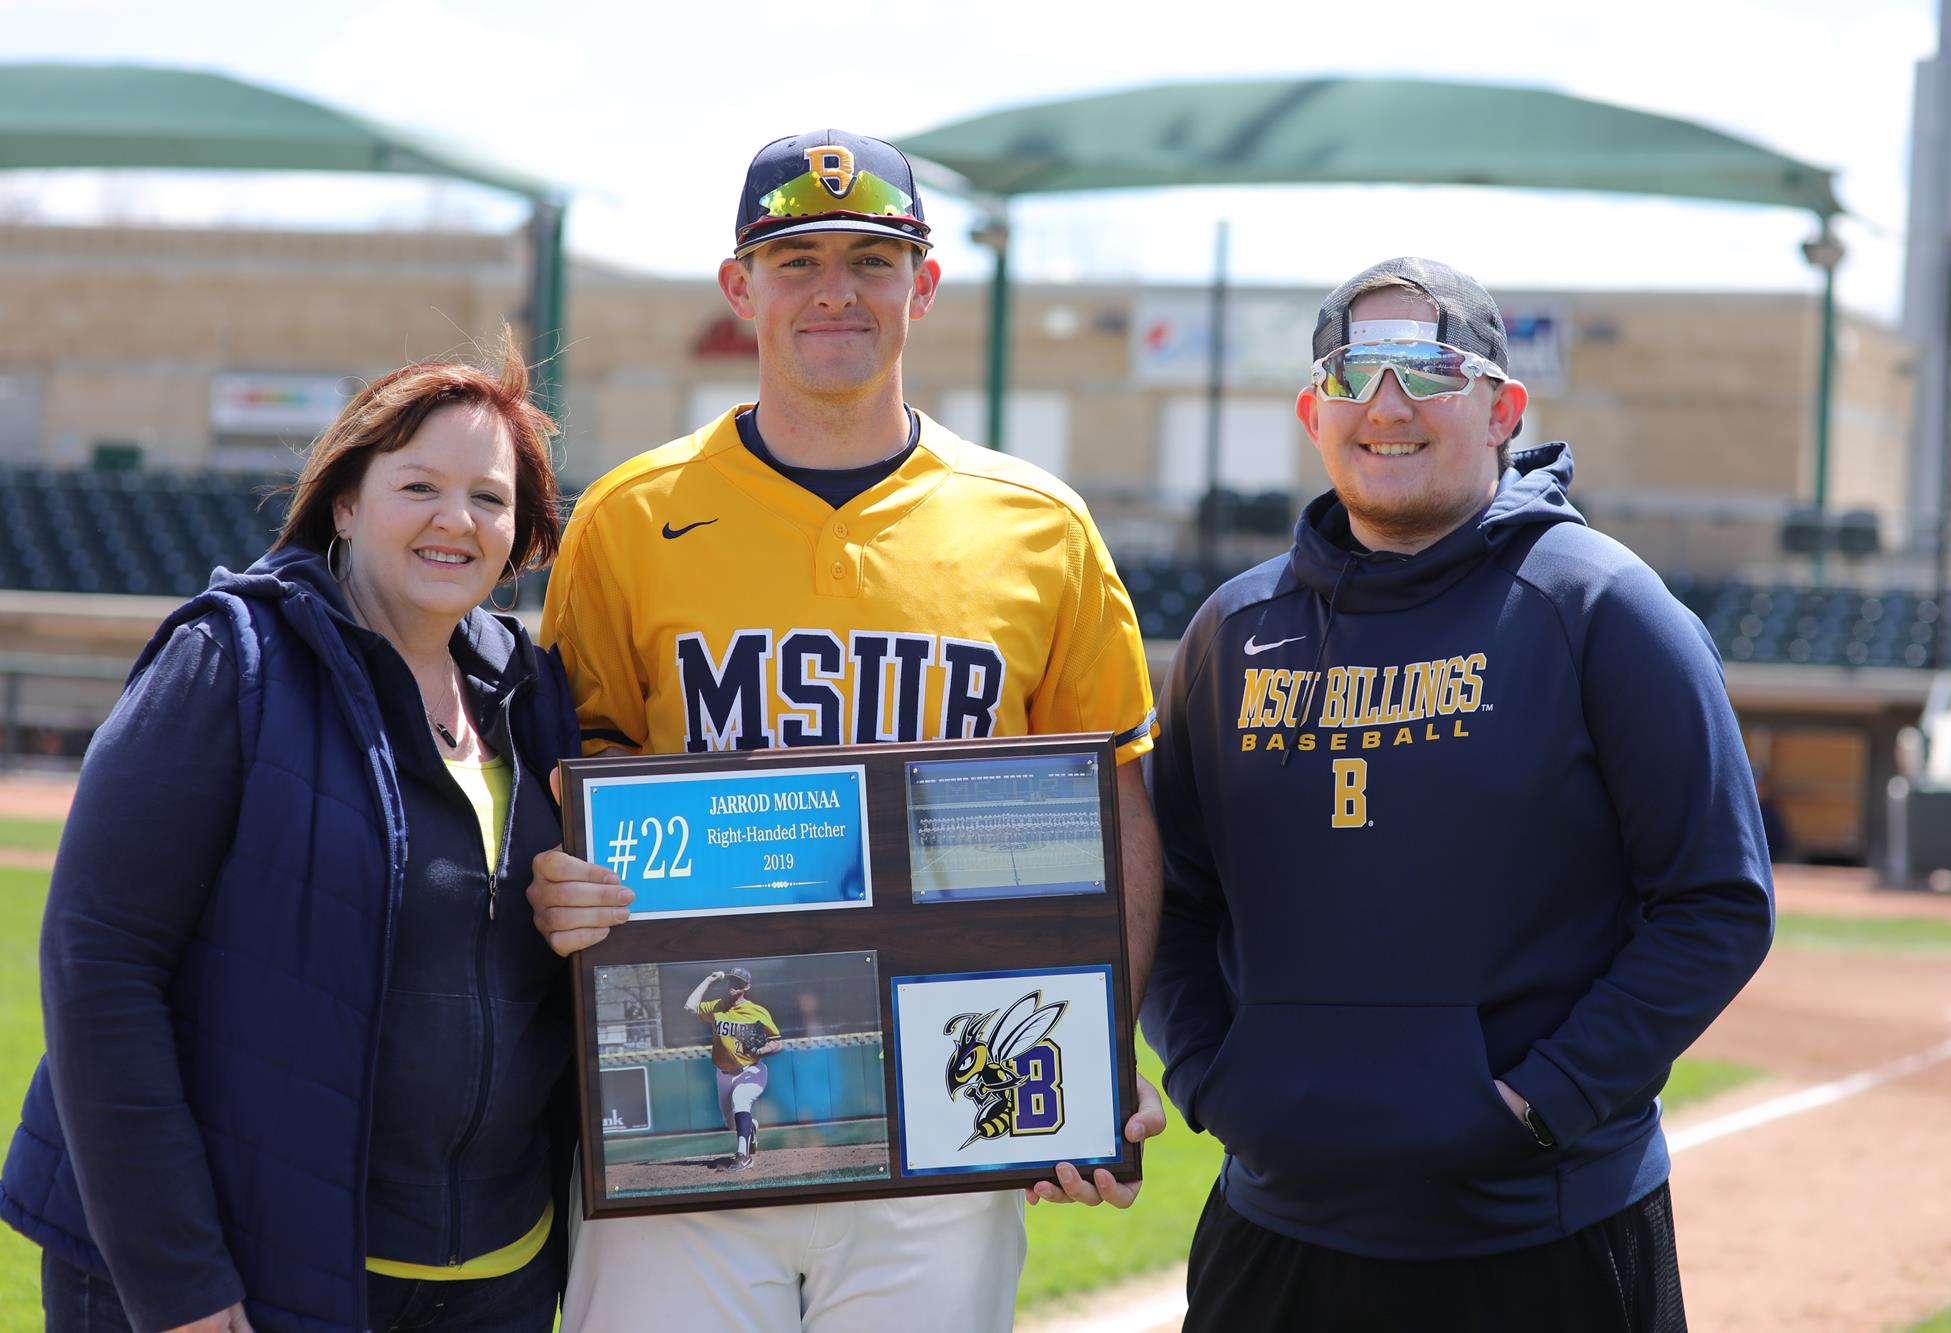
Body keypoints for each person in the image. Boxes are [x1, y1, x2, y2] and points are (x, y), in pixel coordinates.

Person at [523, 128, 1165, 1333]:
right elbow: (575, 775)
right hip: (686, 1154)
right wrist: (561, 879)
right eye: (795, 258)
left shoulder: (1039, 524)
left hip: (950, 1096)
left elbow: (1109, 802)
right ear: (739, 287)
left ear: (922, 285)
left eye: (873, 259)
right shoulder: (627, 517)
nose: (835, 291)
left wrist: (1094, 1046)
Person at [1139, 256, 1776, 1332]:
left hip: (1537, 1235)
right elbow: (1174, 896)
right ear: (1311, 412)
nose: (1384, 406)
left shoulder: (1603, 608)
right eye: (1350, 374)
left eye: (1428, 371)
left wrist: (1536, 1108)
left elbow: (1714, 901)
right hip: (1274, 1235)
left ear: (1501, 409)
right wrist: (1209, 1077)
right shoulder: (1232, 631)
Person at [0, 340, 581, 1332]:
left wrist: (587, 905)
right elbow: (99, 962)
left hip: (488, 1279)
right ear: (345, 504)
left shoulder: (532, 697)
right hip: (240, 1274)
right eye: (418, 485)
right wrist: (179, 1279)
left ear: (520, 532)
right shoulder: (227, 660)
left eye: (488, 498)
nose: (455, 519)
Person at [686, 967, 784, 1170]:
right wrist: (708, 980)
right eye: (731, 981)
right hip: (722, 1074)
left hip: (751, 1070)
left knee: (740, 1099)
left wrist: (760, 1049)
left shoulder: (757, 1011)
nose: (733, 985)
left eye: (738, 982)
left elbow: (777, 1043)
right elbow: (689, 1007)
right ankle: (751, 1129)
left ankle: (743, 1156)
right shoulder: (718, 1007)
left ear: (746, 987)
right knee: (732, 1123)